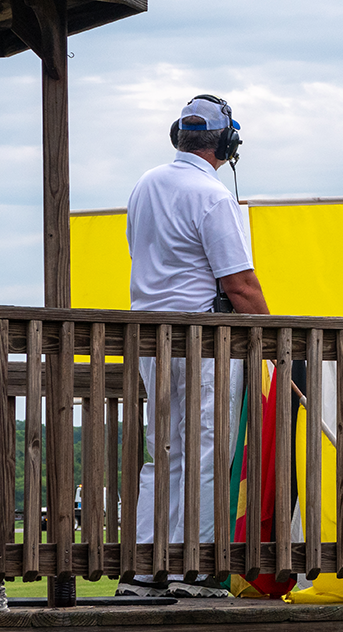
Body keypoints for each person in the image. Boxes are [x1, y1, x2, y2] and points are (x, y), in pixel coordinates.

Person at [120, 95, 269, 598]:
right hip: (205, 338)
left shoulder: (146, 184)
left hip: (150, 337)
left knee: (164, 452)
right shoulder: (213, 196)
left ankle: (143, 569)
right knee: (208, 451)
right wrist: (272, 340)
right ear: (226, 143)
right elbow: (240, 285)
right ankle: (197, 572)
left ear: (177, 135)